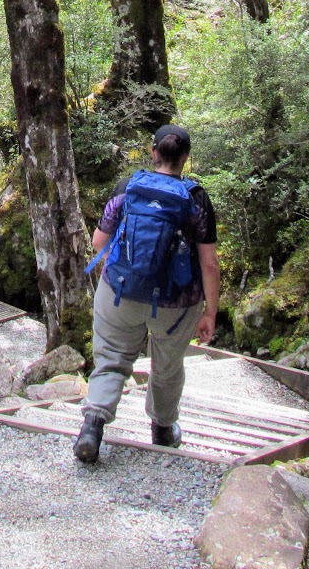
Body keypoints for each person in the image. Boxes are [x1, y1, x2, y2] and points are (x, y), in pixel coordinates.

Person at [74, 123, 220, 464]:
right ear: (186, 157)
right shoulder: (197, 198)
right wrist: (210, 312)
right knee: (167, 365)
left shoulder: (128, 187)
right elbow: (209, 263)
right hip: (176, 303)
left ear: (153, 151)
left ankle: (92, 426)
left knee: (111, 358)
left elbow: (98, 242)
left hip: (120, 293)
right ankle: (163, 430)